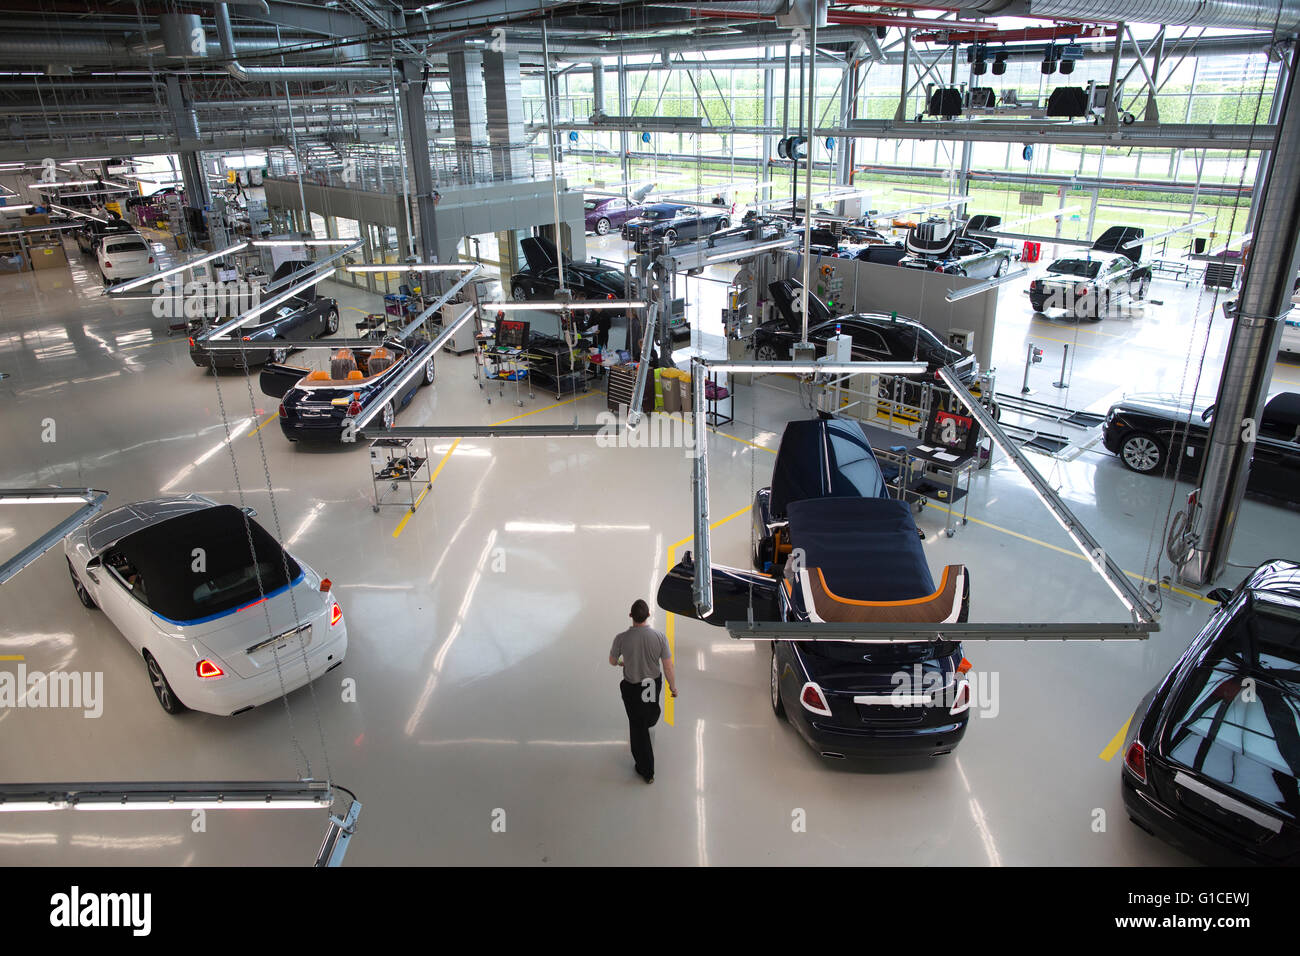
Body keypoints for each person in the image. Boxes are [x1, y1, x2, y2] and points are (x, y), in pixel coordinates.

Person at [609, 599, 676, 783]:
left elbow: (612, 661)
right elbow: (668, 667)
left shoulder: (621, 638)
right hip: (652, 683)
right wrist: (673, 686)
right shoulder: (660, 637)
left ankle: (646, 771)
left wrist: (622, 662)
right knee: (650, 711)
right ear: (648, 615)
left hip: (632, 688)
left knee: (637, 729)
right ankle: (649, 719)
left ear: (630, 616)